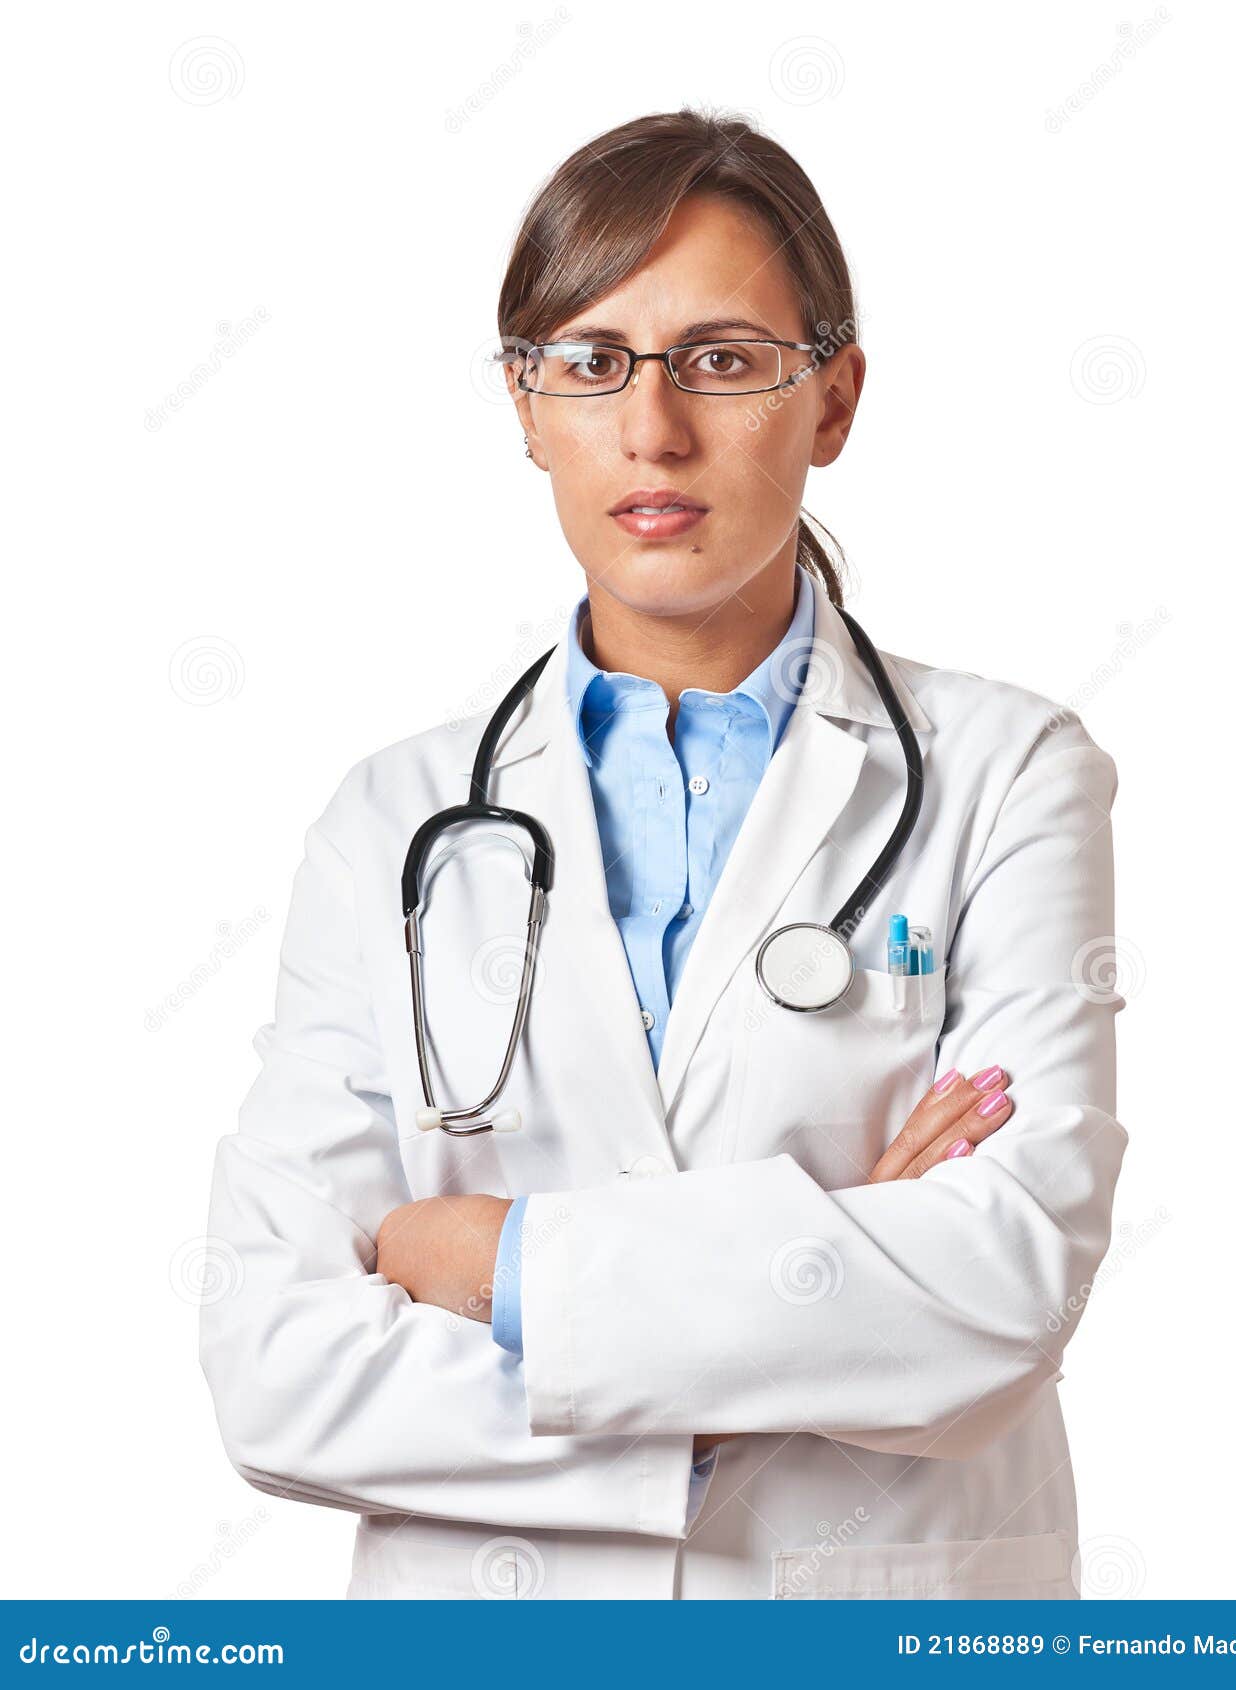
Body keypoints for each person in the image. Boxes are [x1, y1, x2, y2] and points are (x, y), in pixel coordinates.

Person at [200, 108, 1127, 1600]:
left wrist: (491, 1262)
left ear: (834, 399)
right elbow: (277, 1368)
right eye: (591, 362)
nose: (652, 429)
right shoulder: (391, 825)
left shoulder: (1010, 774)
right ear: (526, 405)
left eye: (723, 359)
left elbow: (1004, 1287)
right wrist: (829, 1280)